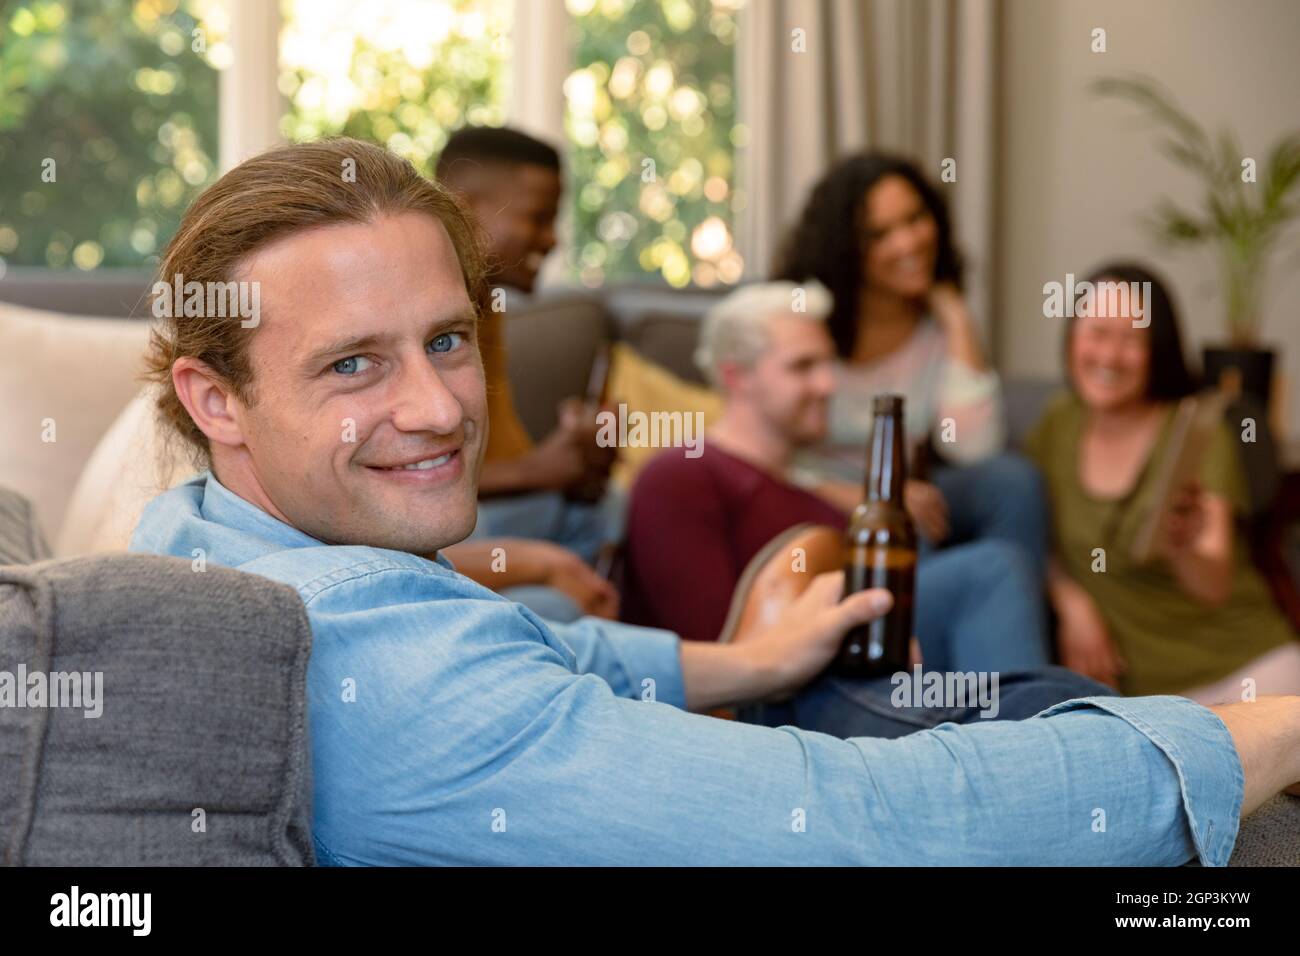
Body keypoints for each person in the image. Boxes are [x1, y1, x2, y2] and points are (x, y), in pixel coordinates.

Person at [130, 138, 1300, 866]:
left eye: (446, 341)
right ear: (214, 397)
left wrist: (734, 662)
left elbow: (532, 644)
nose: (443, 408)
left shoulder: (199, 533)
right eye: (354, 364)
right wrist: (1249, 731)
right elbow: (850, 823)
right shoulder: (398, 683)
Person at [622, 282, 1051, 691]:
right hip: (774, 706)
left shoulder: (813, 492)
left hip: (870, 672)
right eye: (802, 366)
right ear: (737, 377)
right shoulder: (680, 476)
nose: (828, 385)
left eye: (828, 364)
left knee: (998, 516)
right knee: (992, 570)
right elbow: (713, 650)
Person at [1026, 263, 1300, 701]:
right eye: (1097, 333)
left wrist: (1181, 546)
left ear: (1159, 348)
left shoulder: (1197, 434)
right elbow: (1027, 530)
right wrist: (1070, 600)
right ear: (1072, 337)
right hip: (1143, 702)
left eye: (1130, 339)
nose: (1110, 357)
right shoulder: (1057, 425)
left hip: (1244, 672)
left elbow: (1214, 584)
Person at [773, 152, 1045, 566]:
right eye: (879, 234)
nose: (908, 242)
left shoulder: (937, 332)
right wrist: (868, 500)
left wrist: (955, 314)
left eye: (915, 219)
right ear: (846, 248)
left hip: (901, 502)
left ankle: (1005, 595)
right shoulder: (802, 318)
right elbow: (752, 454)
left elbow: (974, 448)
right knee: (897, 530)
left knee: (1011, 482)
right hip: (808, 503)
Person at [435, 126, 617, 568]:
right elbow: (404, 473)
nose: (553, 240)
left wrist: (578, 463)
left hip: (492, 515)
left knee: (610, 508)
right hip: (434, 522)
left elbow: (510, 464)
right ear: (464, 209)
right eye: (539, 217)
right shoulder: (422, 306)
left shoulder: (486, 303)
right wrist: (538, 472)